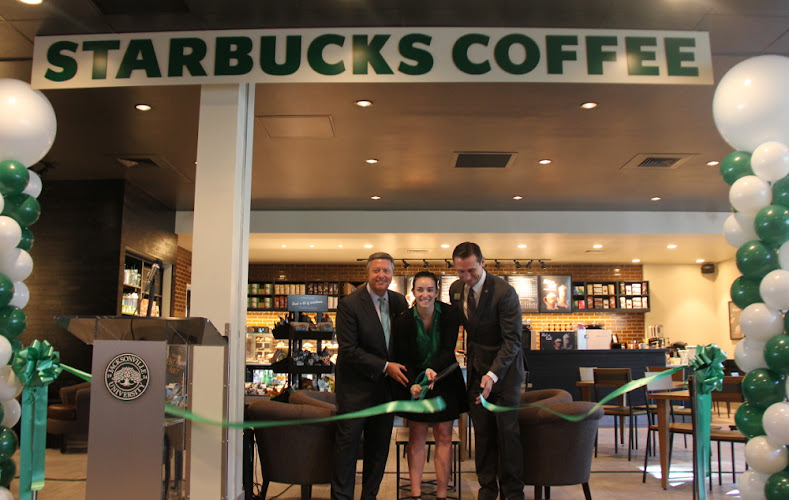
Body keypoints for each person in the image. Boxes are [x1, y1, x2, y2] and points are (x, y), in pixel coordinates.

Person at [450, 242, 525, 500]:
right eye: (461, 272)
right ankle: (487, 490)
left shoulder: (505, 292)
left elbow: (512, 341)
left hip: (505, 374)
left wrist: (493, 374)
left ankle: (513, 493)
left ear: (483, 263)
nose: (467, 278)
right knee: (482, 434)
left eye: (471, 270)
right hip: (475, 370)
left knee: (507, 435)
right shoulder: (456, 289)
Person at [332, 252, 409, 500]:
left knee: (378, 452)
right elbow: (349, 350)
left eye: (386, 271)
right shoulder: (350, 304)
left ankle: (370, 496)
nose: (381, 275)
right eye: (376, 270)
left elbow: (404, 345)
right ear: (367, 273)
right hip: (355, 392)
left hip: (384, 392)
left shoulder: (399, 303)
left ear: (392, 274)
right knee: (347, 451)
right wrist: (386, 366)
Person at [392, 271, 468, 500]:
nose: (425, 294)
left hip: (445, 377)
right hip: (415, 379)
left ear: (436, 292)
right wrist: (415, 383)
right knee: (416, 436)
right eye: (420, 290)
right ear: (413, 292)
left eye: (430, 290)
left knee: (444, 436)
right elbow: (404, 356)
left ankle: (442, 494)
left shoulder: (450, 314)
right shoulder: (403, 320)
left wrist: (432, 372)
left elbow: (447, 349)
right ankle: (415, 493)